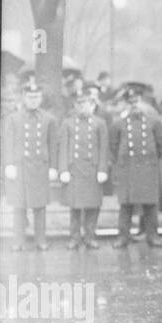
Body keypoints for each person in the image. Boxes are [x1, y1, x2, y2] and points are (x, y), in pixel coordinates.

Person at [4, 77, 58, 251]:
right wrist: (9, 164)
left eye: (36, 97)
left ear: (40, 99)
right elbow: (8, 143)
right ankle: (18, 241)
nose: (33, 100)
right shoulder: (13, 118)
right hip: (20, 169)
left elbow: (53, 145)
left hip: (39, 168)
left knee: (39, 206)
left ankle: (40, 240)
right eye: (29, 97)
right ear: (24, 98)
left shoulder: (49, 119)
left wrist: (53, 167)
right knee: (19, 206)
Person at [110, 82, 162, 250]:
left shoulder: (154, 121)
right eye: (131, 102)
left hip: (148, 167)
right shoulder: (119, 122)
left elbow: (161, 144)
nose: (135, 105)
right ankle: (123, 237)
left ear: (142, 101)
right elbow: (113, 145)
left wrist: (150, 159)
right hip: (128, 168)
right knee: (126, 206)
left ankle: (153, 236)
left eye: (137, 101)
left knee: (150, 206)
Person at [57, 90, 109, 250]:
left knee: (93, 206)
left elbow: (104, 148)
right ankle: (74, 238)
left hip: (92, 171)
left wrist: (102, 169)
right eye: (79, 104)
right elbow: (63, 147)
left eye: (85, 103)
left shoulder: (100, 123)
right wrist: (63, 169)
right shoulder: (67, 123)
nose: (82, 107)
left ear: (92, 105)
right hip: (75, 170)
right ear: (75, 105)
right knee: (75, 207)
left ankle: (90, 237)